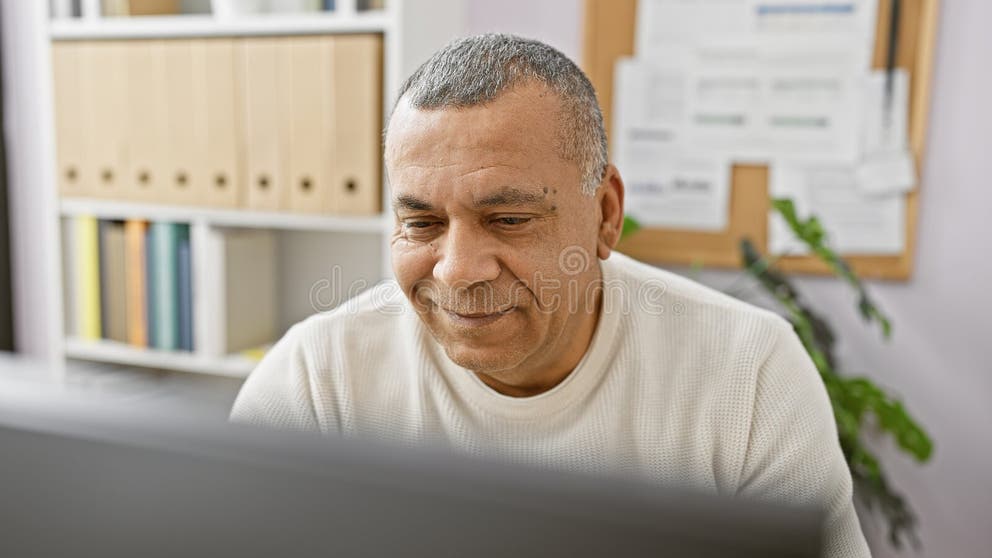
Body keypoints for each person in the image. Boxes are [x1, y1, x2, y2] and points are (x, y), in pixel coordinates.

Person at [231, 34, 870, 558]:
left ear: (605, 215)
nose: (457, 272)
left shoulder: (748, 373)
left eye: (509, 220)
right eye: (422, 223)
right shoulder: (317, 378)